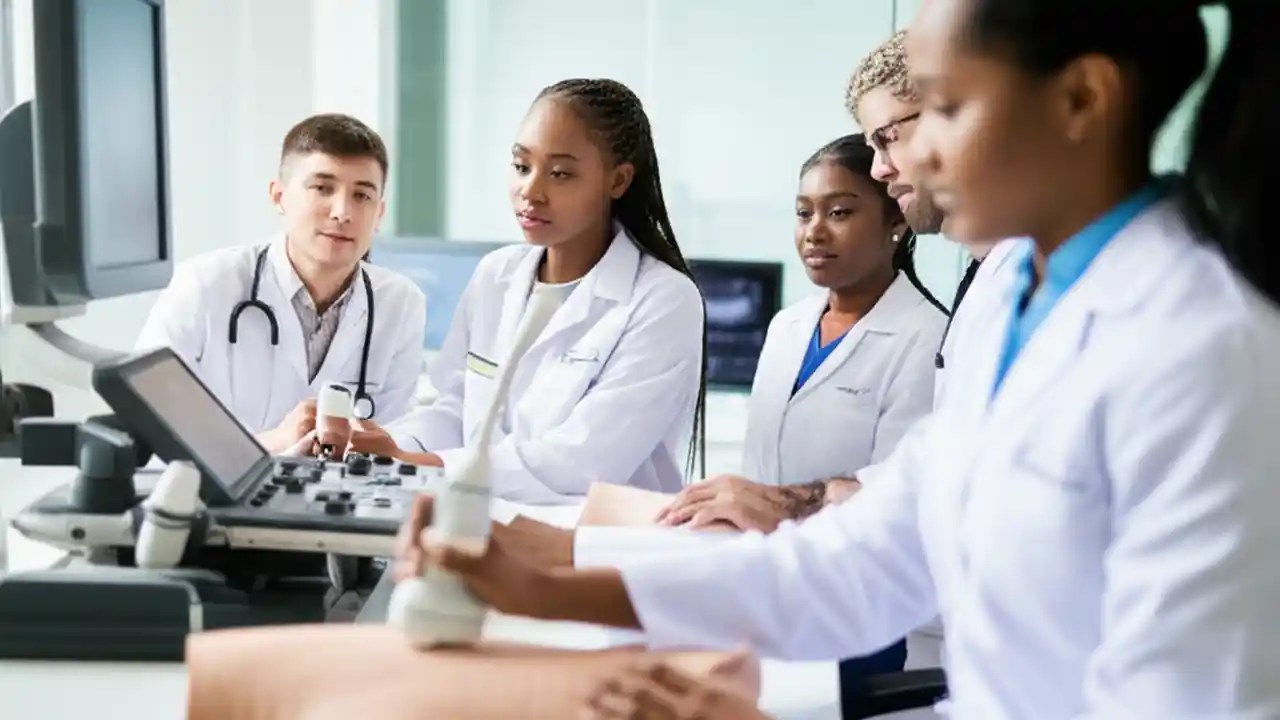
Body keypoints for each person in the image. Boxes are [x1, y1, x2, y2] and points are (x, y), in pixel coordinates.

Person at [398, 0, 1280, 716]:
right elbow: (863, 561)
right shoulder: (1014, 289)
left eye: (943, 108)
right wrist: (543, 586)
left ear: (1083, 99)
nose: (905, 157)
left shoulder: (1204, 348)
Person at [656, 30, 1018, 534]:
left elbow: (918, 499)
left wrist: (788, 507)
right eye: (803, 213)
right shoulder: (791, 325)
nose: (881, 167)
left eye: (888, 138)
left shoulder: (937, 326)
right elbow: (922, 482)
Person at [349, 79, 707, 504]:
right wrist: (384, 446)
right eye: (521, 166)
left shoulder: (663, 299)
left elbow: (582, 462)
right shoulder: (496, 275)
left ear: (619, 180)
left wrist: (421, 465)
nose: (530, 192)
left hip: (594, 549)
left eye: (560, 174)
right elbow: (455, 410)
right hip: (481, 527)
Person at [659, 134, 946, 534]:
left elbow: (899, 496)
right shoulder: (787, 326)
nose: (815, 231)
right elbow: (757, 467)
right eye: (803, 212)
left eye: (840, 213)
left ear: (896, 220)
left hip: (850, 568)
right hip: (760, 556)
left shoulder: (928, 339)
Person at [137, 114, 426, 455]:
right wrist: (272, 443)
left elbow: (394, 441)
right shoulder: (206, 283)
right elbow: (146, 423)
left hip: (346, 504)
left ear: (379, 213)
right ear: (279, 197)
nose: (342, 212)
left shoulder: (400, 303)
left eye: (362, 195)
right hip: (219, 501)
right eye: (322, 188)